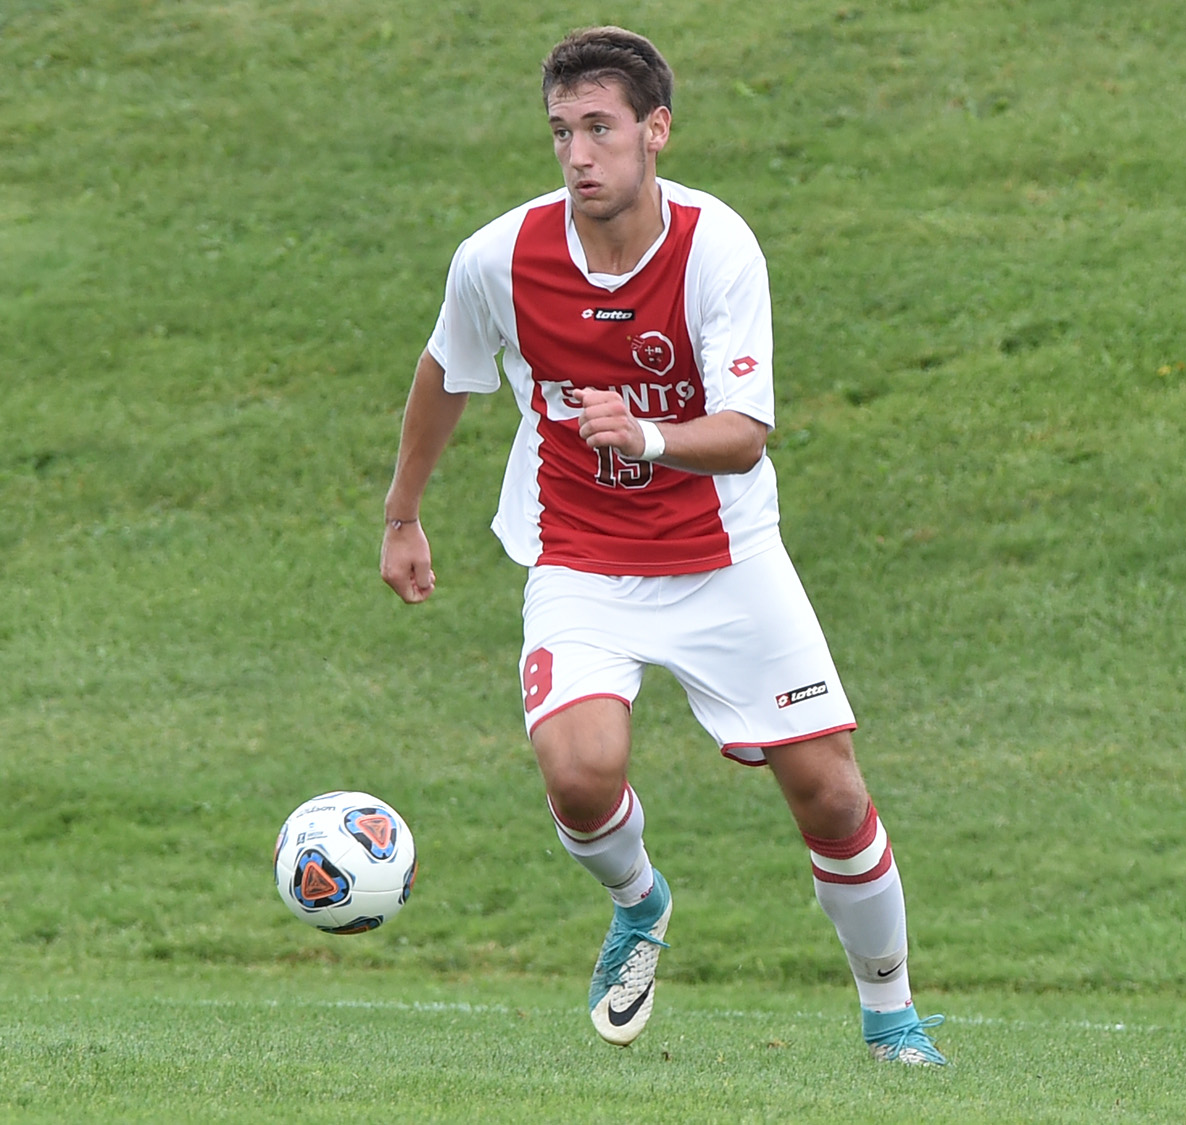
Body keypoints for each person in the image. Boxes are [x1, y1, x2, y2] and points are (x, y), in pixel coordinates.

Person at [377, 26, 944, 1065]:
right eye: (561, 131)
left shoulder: (714, 245)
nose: (577, 154)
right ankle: (638, 903)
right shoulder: (499, 257)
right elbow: (444, 370)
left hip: (726, 558)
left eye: (599, 128)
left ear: (656, 131)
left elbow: (745, 435)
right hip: (581, 558)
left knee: (830, 793)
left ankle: (892, 1019)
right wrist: (401, 514)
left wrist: (642, 435)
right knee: (578, 773)